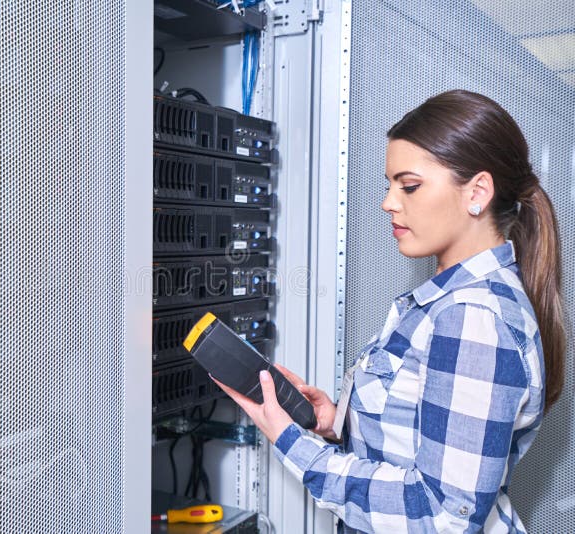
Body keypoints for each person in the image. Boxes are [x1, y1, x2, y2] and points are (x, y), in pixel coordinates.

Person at [214, 90, 566, 533]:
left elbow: (442, 516)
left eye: (410, 185)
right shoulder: (447, 302)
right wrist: (334, 422)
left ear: (477, 192)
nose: (389, 202)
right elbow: (420, 435)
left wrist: (292, 443)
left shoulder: (472, 318)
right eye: (389, 185)